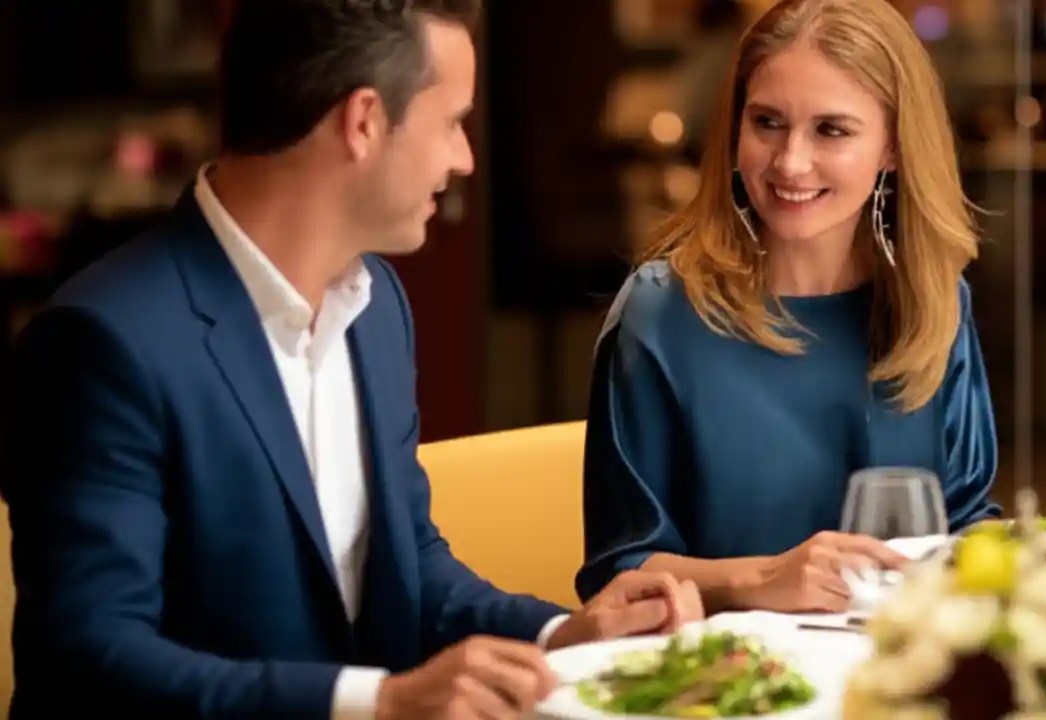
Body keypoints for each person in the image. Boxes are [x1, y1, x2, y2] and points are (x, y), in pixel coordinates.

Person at [0, 1, 703, 718]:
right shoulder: (101, 342)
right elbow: (92, 658)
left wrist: (564, 633)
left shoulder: (376, 306)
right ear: (363, 121)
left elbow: (407, 562)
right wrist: (379, 701)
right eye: (452, 121)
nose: (464, 158)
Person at [579, 0, 996, 613]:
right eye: (767, 122)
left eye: (832, 129)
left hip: (900, 671)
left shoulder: (934, 300)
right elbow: (621, 571)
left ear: (894, 148)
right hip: (731, 687)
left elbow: (966, 526)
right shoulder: (662, 314)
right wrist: (764, 580)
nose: (790, 162)